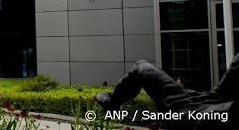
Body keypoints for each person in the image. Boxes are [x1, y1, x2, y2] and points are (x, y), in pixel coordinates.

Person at [96, 54, 239, 128]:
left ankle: (112, 104)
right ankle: (112, 103)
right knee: (142, 67)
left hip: (202, 114)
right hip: (212, 100)